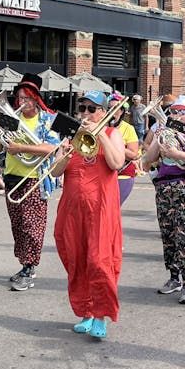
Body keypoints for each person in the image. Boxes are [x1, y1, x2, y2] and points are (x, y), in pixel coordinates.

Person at [50, 90, 125, 340]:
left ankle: (101, 315)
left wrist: (101, 134)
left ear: (104, 112)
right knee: (77, 260)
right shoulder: (71, 137)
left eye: (92, 109)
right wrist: (66, 152)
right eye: (82, 108)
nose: (86, 114)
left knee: (100, 262)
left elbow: (116, 163)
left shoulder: (113, 134)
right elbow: (54, 173)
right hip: (73, 210)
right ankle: (86, 313)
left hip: (101, 210)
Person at [0, 74, 62, 292]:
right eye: (19, 98)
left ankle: (30, 267)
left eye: (27, 98)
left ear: (36, 99)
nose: (22, 102)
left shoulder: (48, 119)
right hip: (12, 175)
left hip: (35, 178)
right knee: (18, 225)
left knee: (32, 225)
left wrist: (21, 148)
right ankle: (25, 264)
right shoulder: (13, 118)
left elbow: (51, 148)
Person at [143, 95, 185, 305]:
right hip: (165, 186)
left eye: (181, 111)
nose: (176, 115)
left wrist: (175, 153)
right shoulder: (164, 131)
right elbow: (148, 161)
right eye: (173, 111)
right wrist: (159, 138)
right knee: (168, 234)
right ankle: (174, 277)